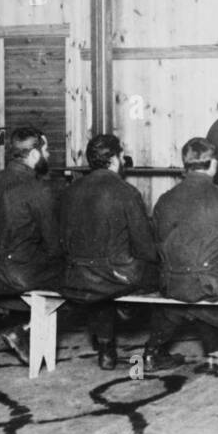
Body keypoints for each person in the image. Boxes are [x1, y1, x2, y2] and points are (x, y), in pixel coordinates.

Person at [149, 137, 218, 374]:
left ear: (186, 165)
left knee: (199, 279)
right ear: (213, 165)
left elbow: (159, 246)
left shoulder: (164, 200)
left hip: (173, 284)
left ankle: (212, 352)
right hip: (211, 284)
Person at [59, 134, 158, 371]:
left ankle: (106, 348)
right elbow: (144, 246)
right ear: (114, 159)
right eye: (122, 155)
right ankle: (147, 337)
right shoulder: (126, 192)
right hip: (116, 275)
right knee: (158, 272)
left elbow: (62, 240)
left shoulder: (70, 191)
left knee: (97, 285)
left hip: (77, 275)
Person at [0, 126, 62, 365]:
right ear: (34, 155)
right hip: (17, 275)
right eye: (46, 150)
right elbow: (54, 245)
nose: (48, 155)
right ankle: (26, 330)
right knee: (76, 275)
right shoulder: (39, 190)